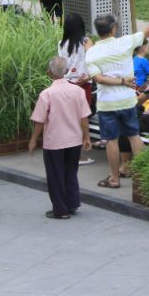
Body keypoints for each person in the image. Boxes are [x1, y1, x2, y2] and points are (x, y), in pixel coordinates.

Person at [85, 11, 149, 189]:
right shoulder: (124, 43)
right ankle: (141, 177)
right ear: (113, 29)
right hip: (127, 101)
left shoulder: (91, 53)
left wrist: (118, 81)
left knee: (111, 140)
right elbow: (148, 32)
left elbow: (99, 79)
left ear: (98, 31)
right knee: (134, 136)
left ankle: (114, 178)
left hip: (106, 104)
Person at [28, 57, 92, 220]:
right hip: (74, 140)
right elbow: (84, 117)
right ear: (66, 71)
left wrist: (33, 140)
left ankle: (60, 210)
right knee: (71, 172)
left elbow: (40, 121)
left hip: (54, 141)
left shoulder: (47, 94)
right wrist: (86, 137)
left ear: (49, 72)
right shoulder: (78, 91)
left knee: (55, 175)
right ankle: (72, 203)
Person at [57, 14, 94, 164]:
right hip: (83, 84)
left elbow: (62, 65)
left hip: (66, 84)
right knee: (81, 119)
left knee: (68, 120)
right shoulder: (86, 42)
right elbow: (93, 59)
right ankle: (77, 156)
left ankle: (66, 153)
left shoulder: (61, 44)